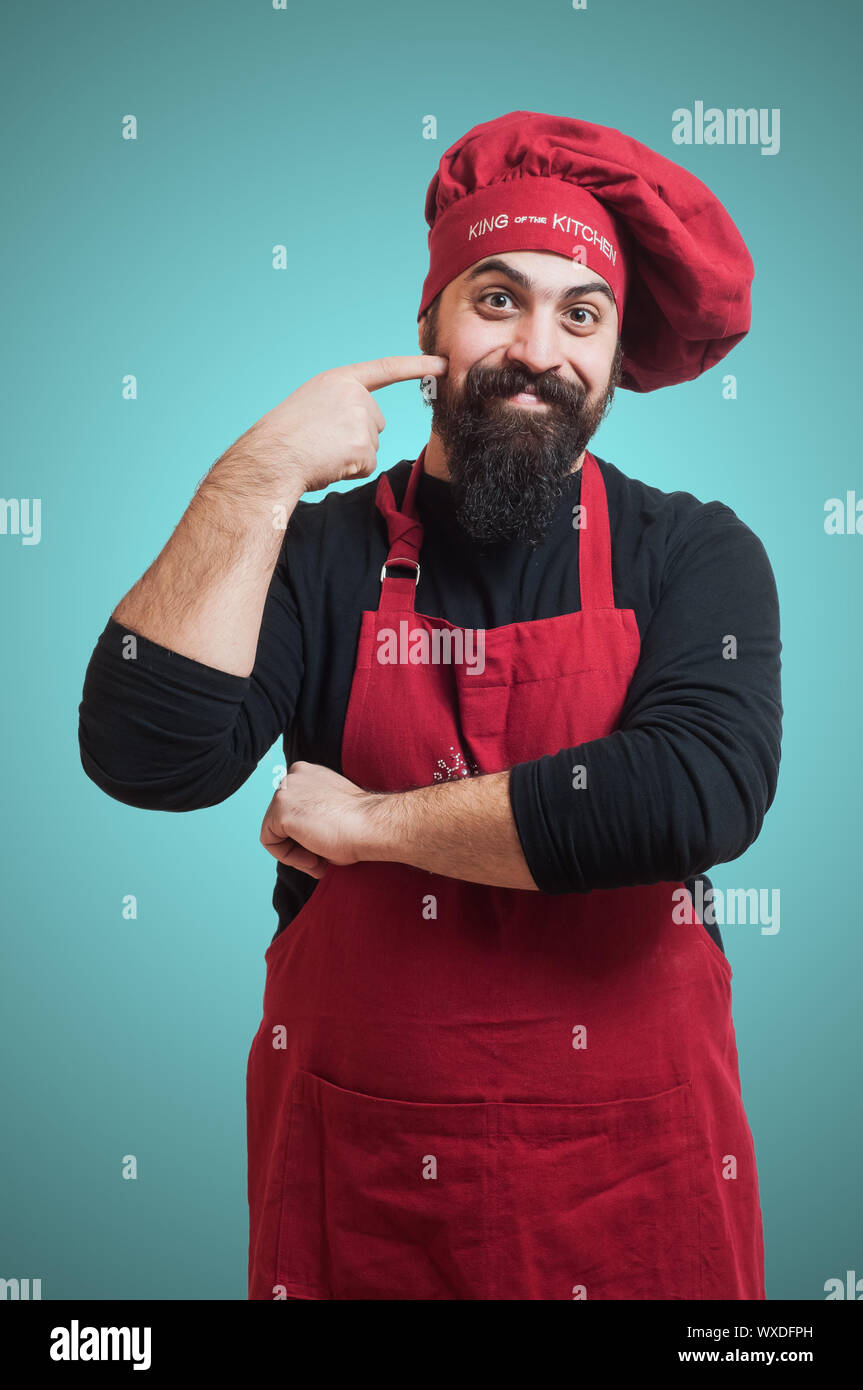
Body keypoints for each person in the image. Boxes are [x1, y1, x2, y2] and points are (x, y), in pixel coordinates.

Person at [78, 110, 782, 1300]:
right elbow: (149, 755)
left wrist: (367, 827)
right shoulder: (314, 552)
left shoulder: (690, 551)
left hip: (636, 1188)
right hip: (366, 1194)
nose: (537, 349)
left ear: (610, 359)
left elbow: (686, 796)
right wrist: (258, 474)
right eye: (495, 298)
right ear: (427, 324)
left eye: (580, 313)